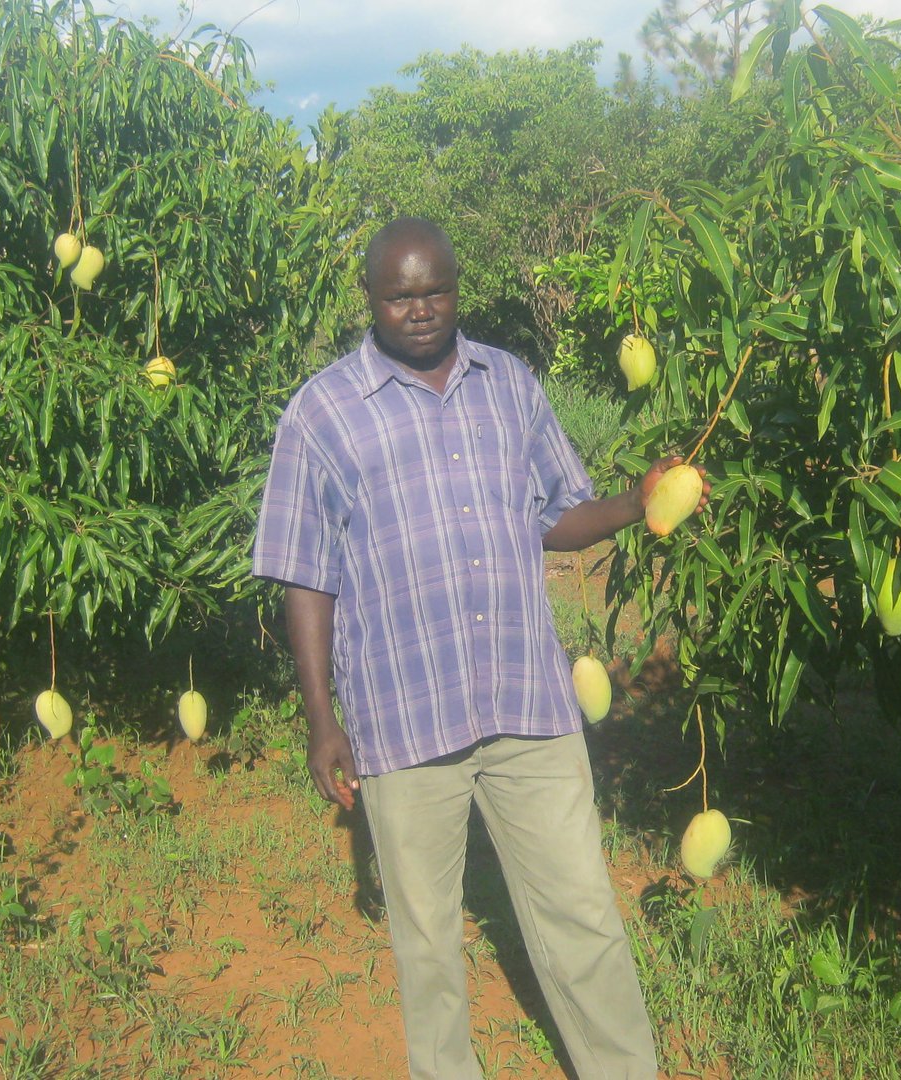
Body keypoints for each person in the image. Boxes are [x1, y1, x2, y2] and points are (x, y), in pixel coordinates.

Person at [252, 217, 691, 1079]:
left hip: (526, 701)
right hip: (404, 717)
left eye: (434, 291)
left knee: (582, 916)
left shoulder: (510, 384)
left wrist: (637, 504)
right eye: (398, 296)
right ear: (371, 299)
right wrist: (320, 718)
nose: (419, 310)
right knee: (429, 948)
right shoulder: (325, 412)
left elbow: (556, 514)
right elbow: (304, 573)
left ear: (460, 287)